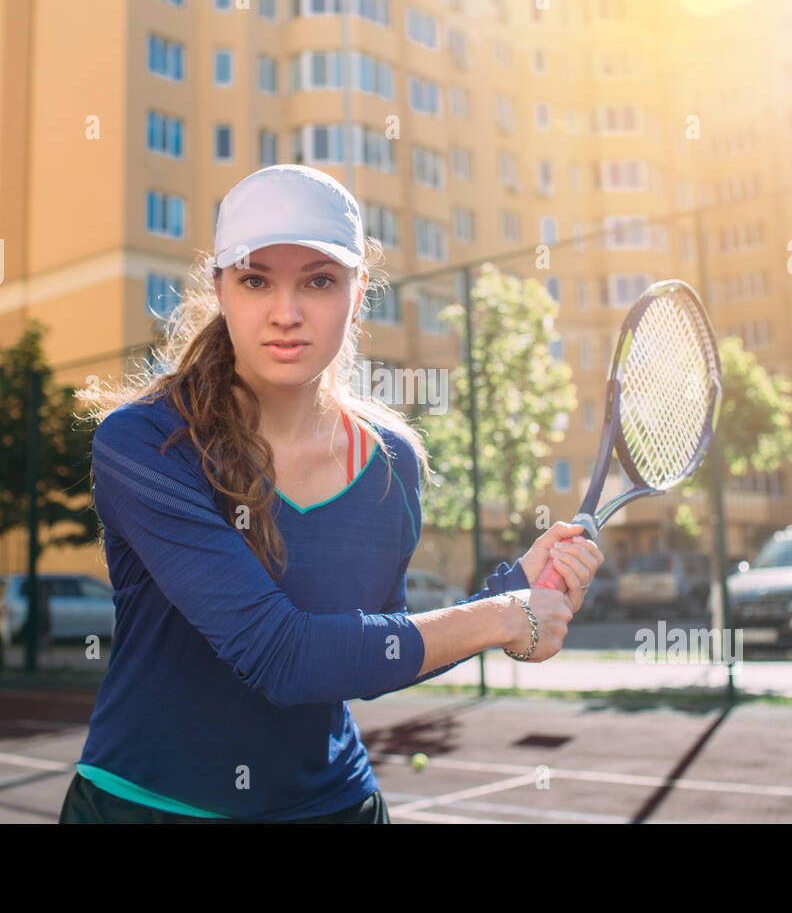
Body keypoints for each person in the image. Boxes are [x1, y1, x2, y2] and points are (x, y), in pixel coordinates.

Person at [59, 164, 603, 824]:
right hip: (147, 809)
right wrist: (501, 617)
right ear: (220, 290)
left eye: (318, 281)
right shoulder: (142, 443)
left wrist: (517, 588)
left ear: (358, 291)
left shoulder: (391, 462)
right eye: (256, 280)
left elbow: (380, 647)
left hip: (337, 807)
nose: (286, 314)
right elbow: (279, 655)